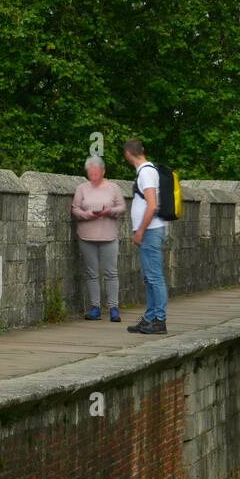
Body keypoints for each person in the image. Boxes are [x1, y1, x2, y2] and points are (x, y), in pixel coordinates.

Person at [71, 155, 127, 321]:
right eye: (90, 173)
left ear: (103, 171)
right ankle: (95, 307)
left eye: (96, 173)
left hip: (108, 235)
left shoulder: (113, 188)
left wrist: (109, 211)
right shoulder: (81, 188)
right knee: (92, 273)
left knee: (111, 272)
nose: (93, 176)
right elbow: (75, 209)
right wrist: (86, 214)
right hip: (87, 235)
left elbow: (122, 207)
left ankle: (113, 308)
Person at [123, 140, 168, 334]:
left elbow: (152, 205)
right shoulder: (145, 171)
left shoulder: (146, 173)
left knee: (155, 277)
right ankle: (149, 318)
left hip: (150, 231)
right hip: (149, 231)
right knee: (149, 277)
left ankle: (159, 320)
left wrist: (140, 231)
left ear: (128, 154)